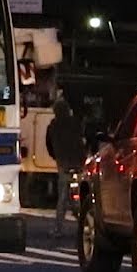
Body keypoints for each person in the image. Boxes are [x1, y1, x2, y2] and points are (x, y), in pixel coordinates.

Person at [46, 97, 86, 237]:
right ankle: (84, 224)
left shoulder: (53, 126)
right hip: (79, 162)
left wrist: (56, 157)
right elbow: (83, 139)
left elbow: (49, 146)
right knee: (81, 194)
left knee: (62, 197)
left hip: (63, 163)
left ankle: (58, 228)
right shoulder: (75, 123)